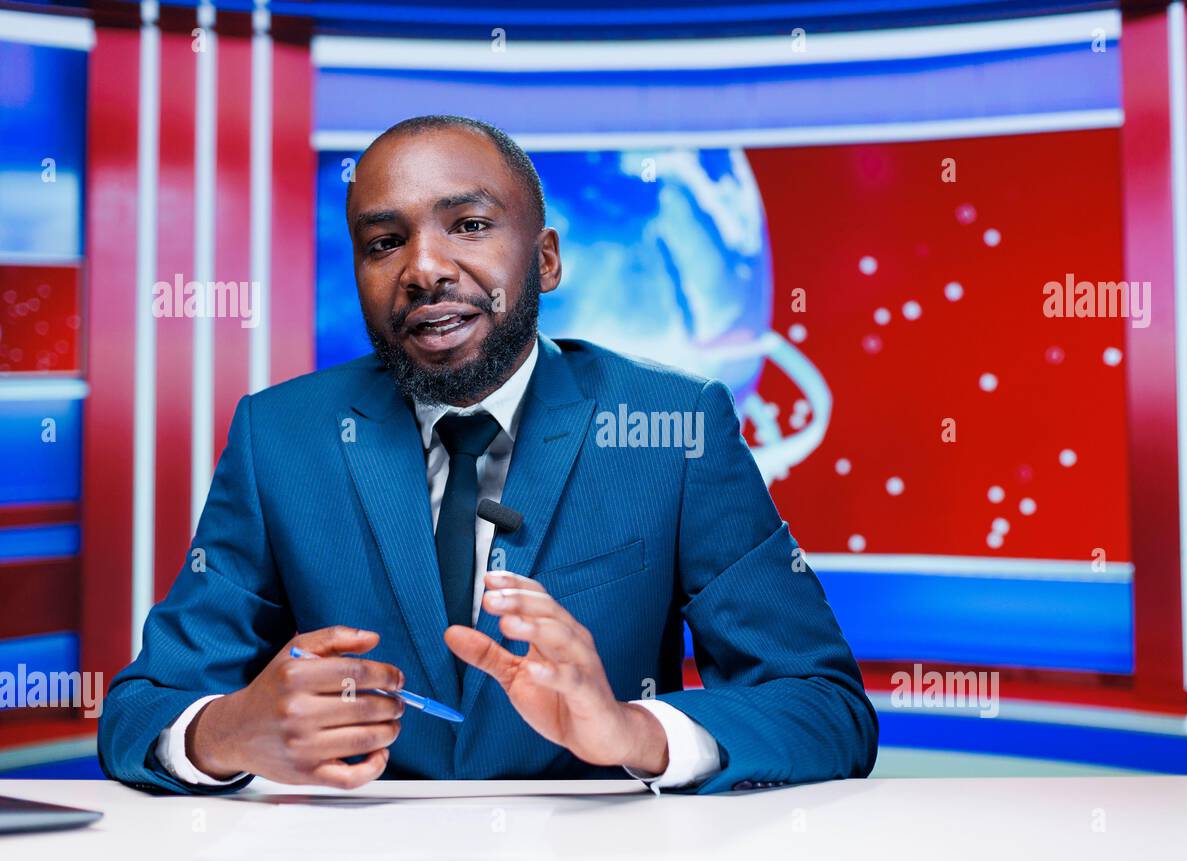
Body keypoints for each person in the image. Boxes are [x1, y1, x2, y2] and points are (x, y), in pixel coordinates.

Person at [98, 115, 879, 795]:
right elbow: (140, 710)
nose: (424, 268)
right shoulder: (281, 436)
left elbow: (825, 706)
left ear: (544, 259)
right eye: (384, 241)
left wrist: (633, 731)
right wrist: (226, 732)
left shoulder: (675, 425)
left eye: (468, 225)